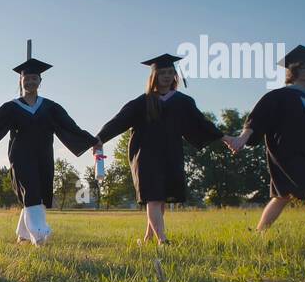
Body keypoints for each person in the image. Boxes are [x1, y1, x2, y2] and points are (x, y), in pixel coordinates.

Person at [94, 54, 235, 244]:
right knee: (152, 197)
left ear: (175, 75)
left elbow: (202, 124)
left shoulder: (183, 101)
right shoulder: (142, 102)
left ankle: (148, 238)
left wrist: (226, 138)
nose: (167, 76)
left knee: (160, 199)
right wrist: (99, 138)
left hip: (171, 155)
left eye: (170, 72)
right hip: (145, 155)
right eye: (162, 73)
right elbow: (119, 121)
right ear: (154, 76)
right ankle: (163, 240)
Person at [0, 55, 97, 245]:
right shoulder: (11, 108)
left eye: (34, 78)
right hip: (21, 156)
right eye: (27, 78)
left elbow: (70, 127)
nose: (30, 81)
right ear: (21, 80)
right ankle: (39, 235)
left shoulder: (50, 107)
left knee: (38, 193)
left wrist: (92, 140)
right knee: (31, 191)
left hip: (44, 156)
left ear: (40, 81)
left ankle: (23, 236)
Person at [229, 45, 305, 236]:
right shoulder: (278, 96)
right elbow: (255, 120)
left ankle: (259, 233)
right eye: (303, 66)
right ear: (293, 70)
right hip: (284, 152)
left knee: (282, 195)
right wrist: (242, 138)